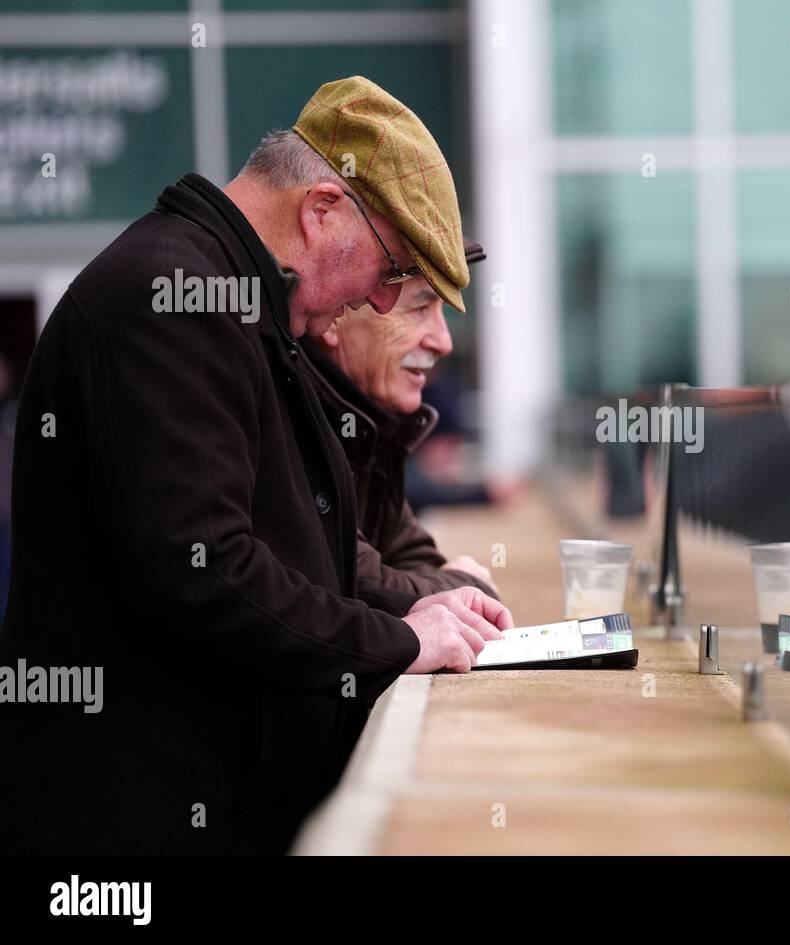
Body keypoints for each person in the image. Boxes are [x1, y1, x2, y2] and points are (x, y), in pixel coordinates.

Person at [0, 76, 511, 855]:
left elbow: (289, 550)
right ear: (322, 210)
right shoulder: (177, 297)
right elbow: (206, 572)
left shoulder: (227, 297)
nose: (380, 303)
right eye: (390, 270)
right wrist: (398, 641)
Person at [302, 238, 498, 598]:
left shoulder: (366, 420)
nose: (444, 342)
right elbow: (355, 583)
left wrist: (455, 587)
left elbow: (408, 556)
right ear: (332, 314)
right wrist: (468, 583)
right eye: (420, 307)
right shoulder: (294, 419)